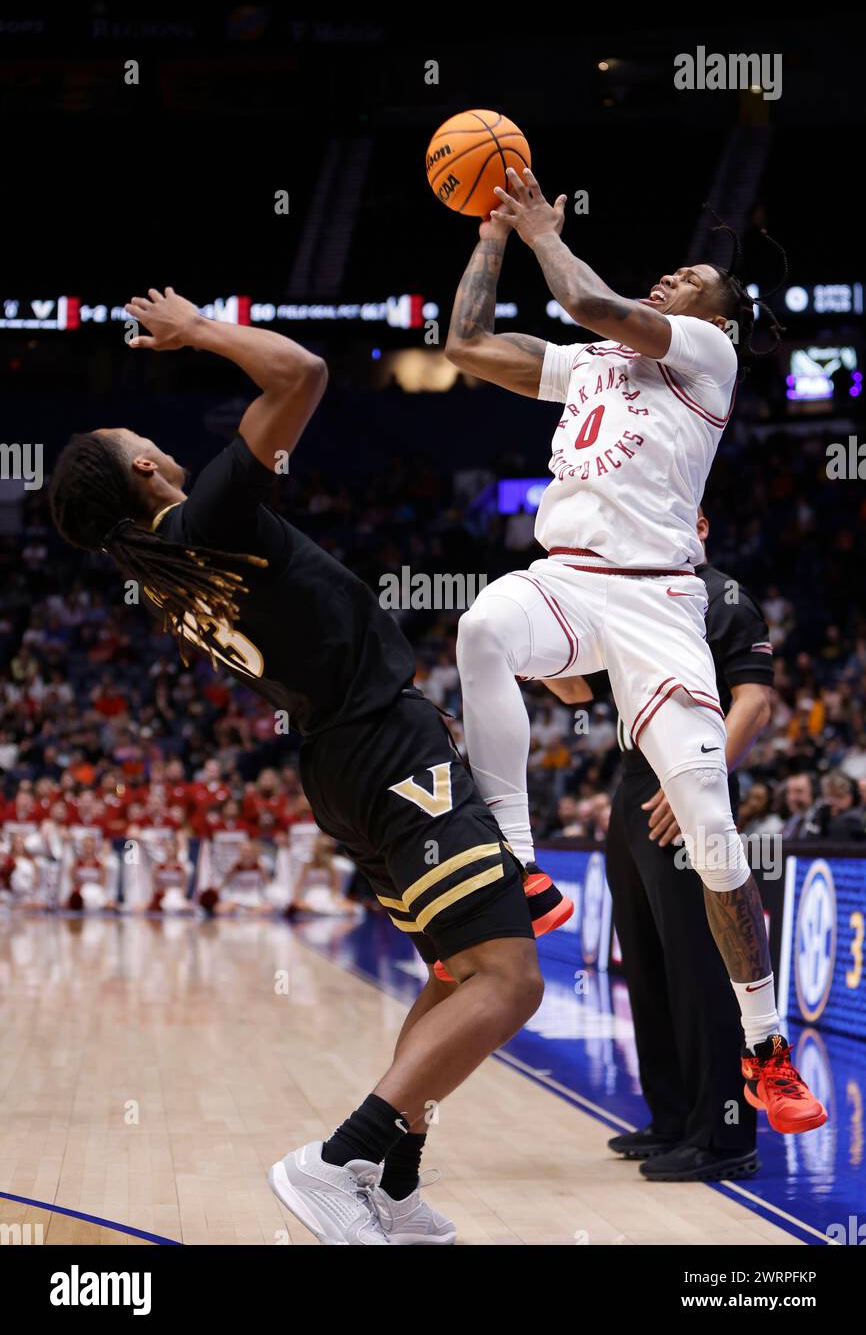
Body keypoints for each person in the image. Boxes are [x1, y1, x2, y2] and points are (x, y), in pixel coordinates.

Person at [48, 286, 572, 1247]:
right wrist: (198, 329)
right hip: (379, 748)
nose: (155, 440)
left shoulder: (170, 568)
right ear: (148, 468)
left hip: (348, 758)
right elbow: (304, 372)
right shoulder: (202, 519)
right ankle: (337, 1161)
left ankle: (395, 1181)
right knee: (510, 981)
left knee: (460, 973)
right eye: (139, 437)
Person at [445, 168, 826, 1134]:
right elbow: (463, 345)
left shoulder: (705, 357)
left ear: (719, 318)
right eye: (670, 273)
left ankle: (765, 1049)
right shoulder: (591, 366)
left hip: (659, 599)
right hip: (572, 578)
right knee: (483, 625)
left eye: (690, 276)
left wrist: (539, 229)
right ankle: (520, 866)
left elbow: (584, 296)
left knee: (708, 821)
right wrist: (492, 232)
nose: (672, 281)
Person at [547, 508, 775, 1180]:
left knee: (702, 960)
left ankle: (726, 1139)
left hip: (690, 780)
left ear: (701, 526)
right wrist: (544, 640)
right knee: (644, 957)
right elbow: (574, 690)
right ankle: (672, 1115)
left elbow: (755, 703)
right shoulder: (627, 601)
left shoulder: (726, 597)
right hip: (631, 782)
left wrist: (697, 782)